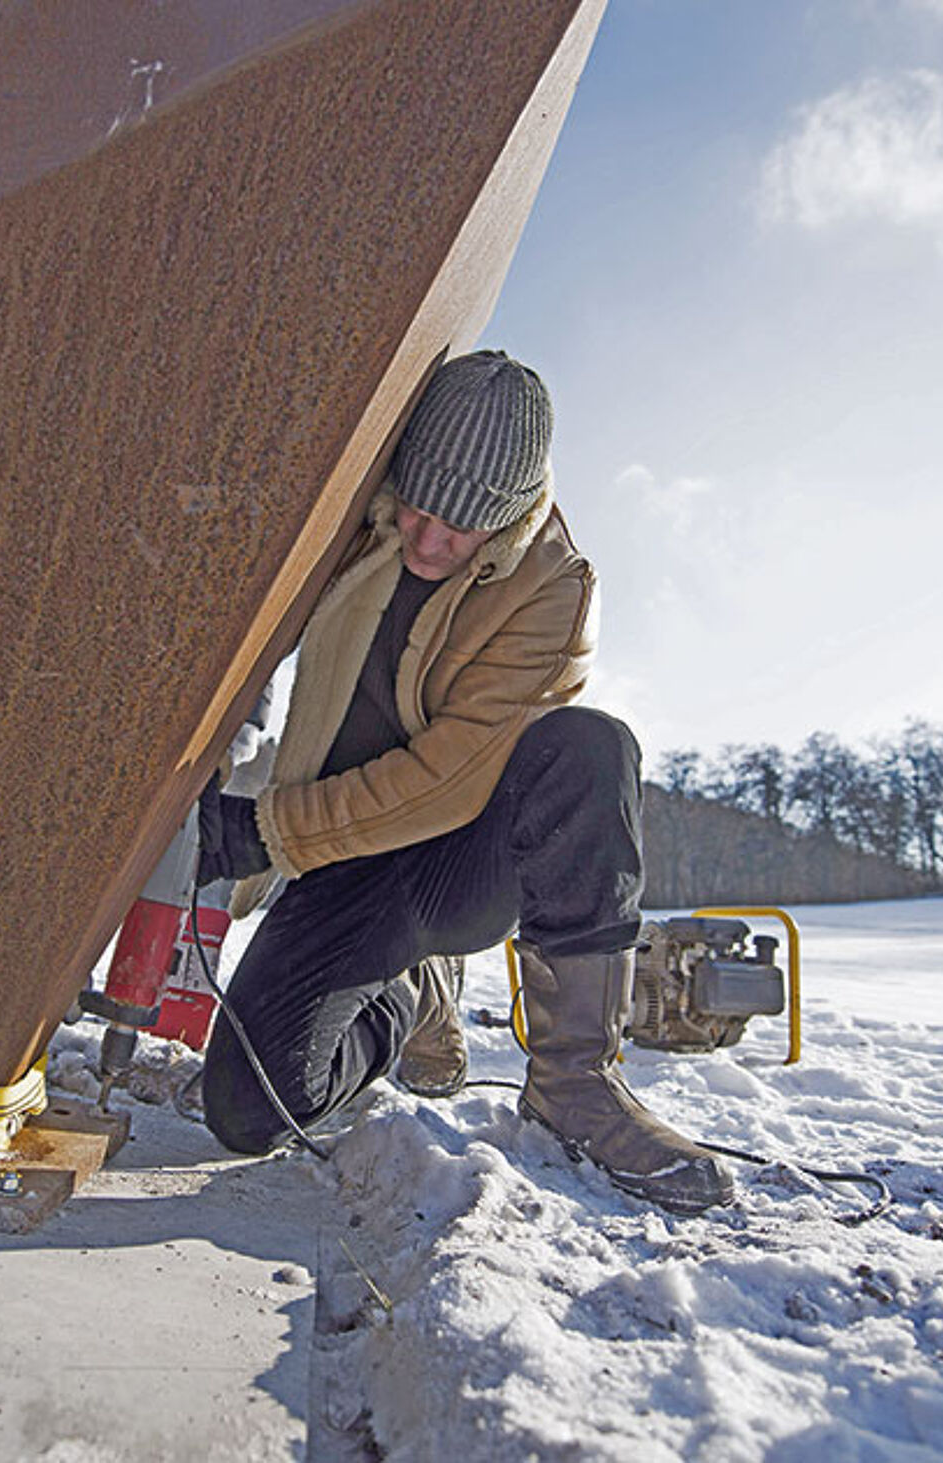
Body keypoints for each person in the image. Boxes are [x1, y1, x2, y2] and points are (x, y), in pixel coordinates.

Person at [192, 351, 732, 1215]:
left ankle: (575, 1087)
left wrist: (266, 829)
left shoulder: (554, 590)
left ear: (513, 513)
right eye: (419, 507)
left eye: (463, 526)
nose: (429, 541)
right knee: (250, 1108)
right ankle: (404, 997)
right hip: (342, 854)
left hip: (452, 857)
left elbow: (448, 779)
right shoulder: (353, 513)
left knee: (587, 746)